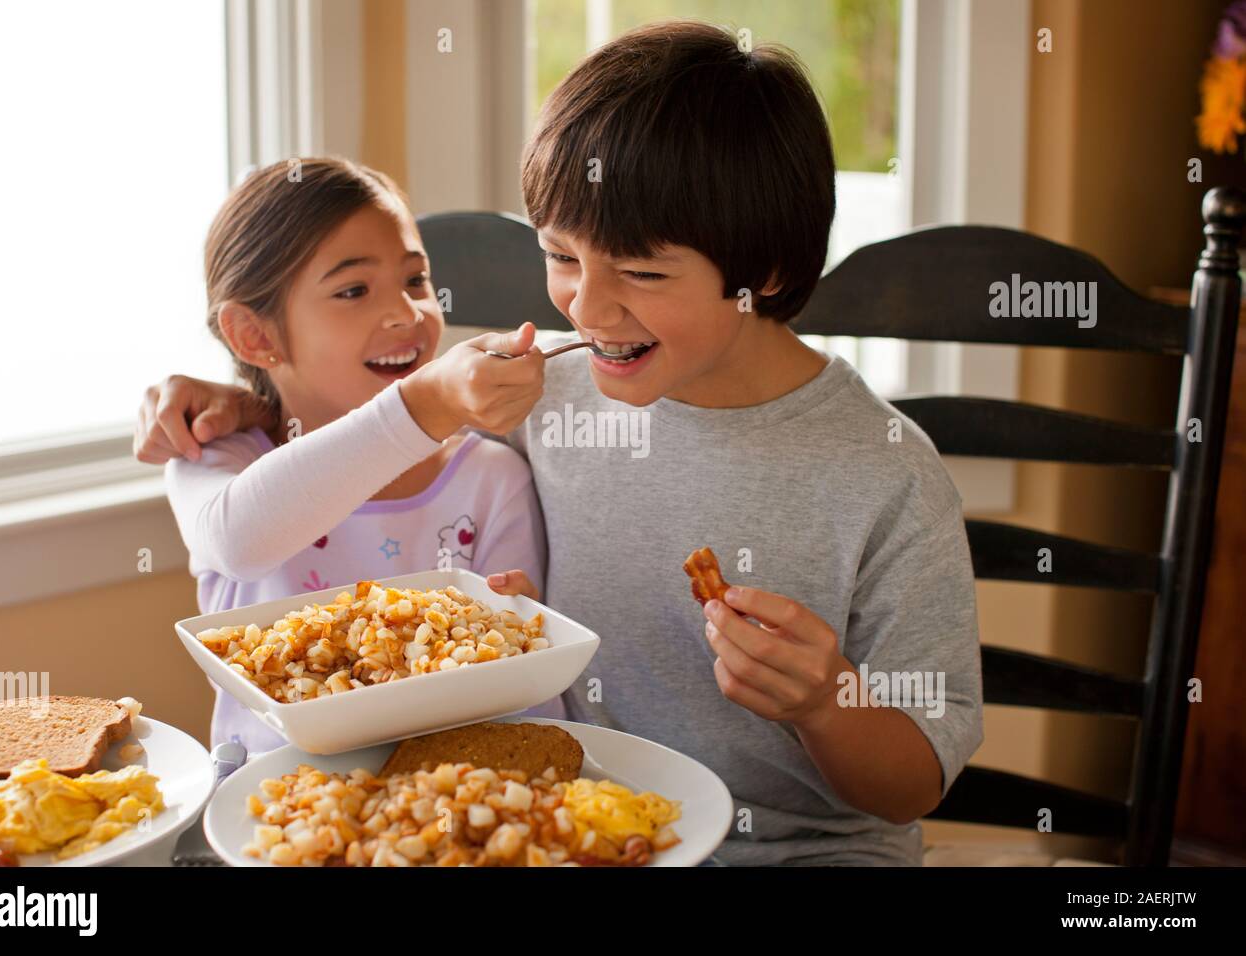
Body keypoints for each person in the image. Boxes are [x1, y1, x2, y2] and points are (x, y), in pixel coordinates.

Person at [137, 22, 982, 864]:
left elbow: (914, 784)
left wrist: (826, 703)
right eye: (559, 255)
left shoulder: (885, 472)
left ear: (760, 272)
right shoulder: (547, 394)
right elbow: (347, 423)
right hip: (580, 828)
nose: (588, 309)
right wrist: (242, 398)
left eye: (643, 274)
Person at [159, 157, 557, 754]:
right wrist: (423, 406)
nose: (407, 313)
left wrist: (517, 644)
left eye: (417, 281)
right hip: (265, 816)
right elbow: (239, 542)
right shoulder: (212, 456)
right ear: (255, 336)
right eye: (353, 290)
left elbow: (531, 706)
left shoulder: (491, 480)